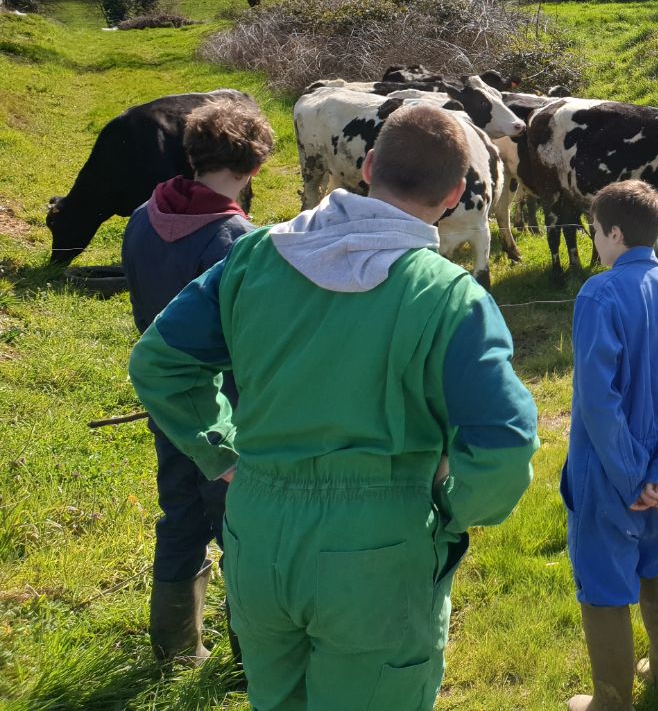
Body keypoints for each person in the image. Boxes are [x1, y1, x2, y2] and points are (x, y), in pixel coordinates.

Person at [129, 102, 539, 711]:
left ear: (368, 165)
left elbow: (158, 362)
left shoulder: (255, 255)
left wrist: (220, 450)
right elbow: (504, 445)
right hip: (379, 547)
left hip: (258, 533)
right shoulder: (451, 297)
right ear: (456, 195)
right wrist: (451, 513)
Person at [121, 95, 274, 665]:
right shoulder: (235, 242)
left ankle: (175, 645)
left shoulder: (142, 216)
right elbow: (248, 342)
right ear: (256, 166)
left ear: (190, 154)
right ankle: (251, 652)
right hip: (223, 412)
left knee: (179, 511)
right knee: (241, 526)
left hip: (166, 398)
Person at [563, 181, 658, 711]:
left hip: (608, 473)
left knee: (603, 587)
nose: (597, 243)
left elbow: (598, 401)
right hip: (656, 474)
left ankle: (610, 703)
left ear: (615, 233)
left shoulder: (597, 294)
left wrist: (630, 479)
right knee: (654, 562)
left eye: (596, 233)